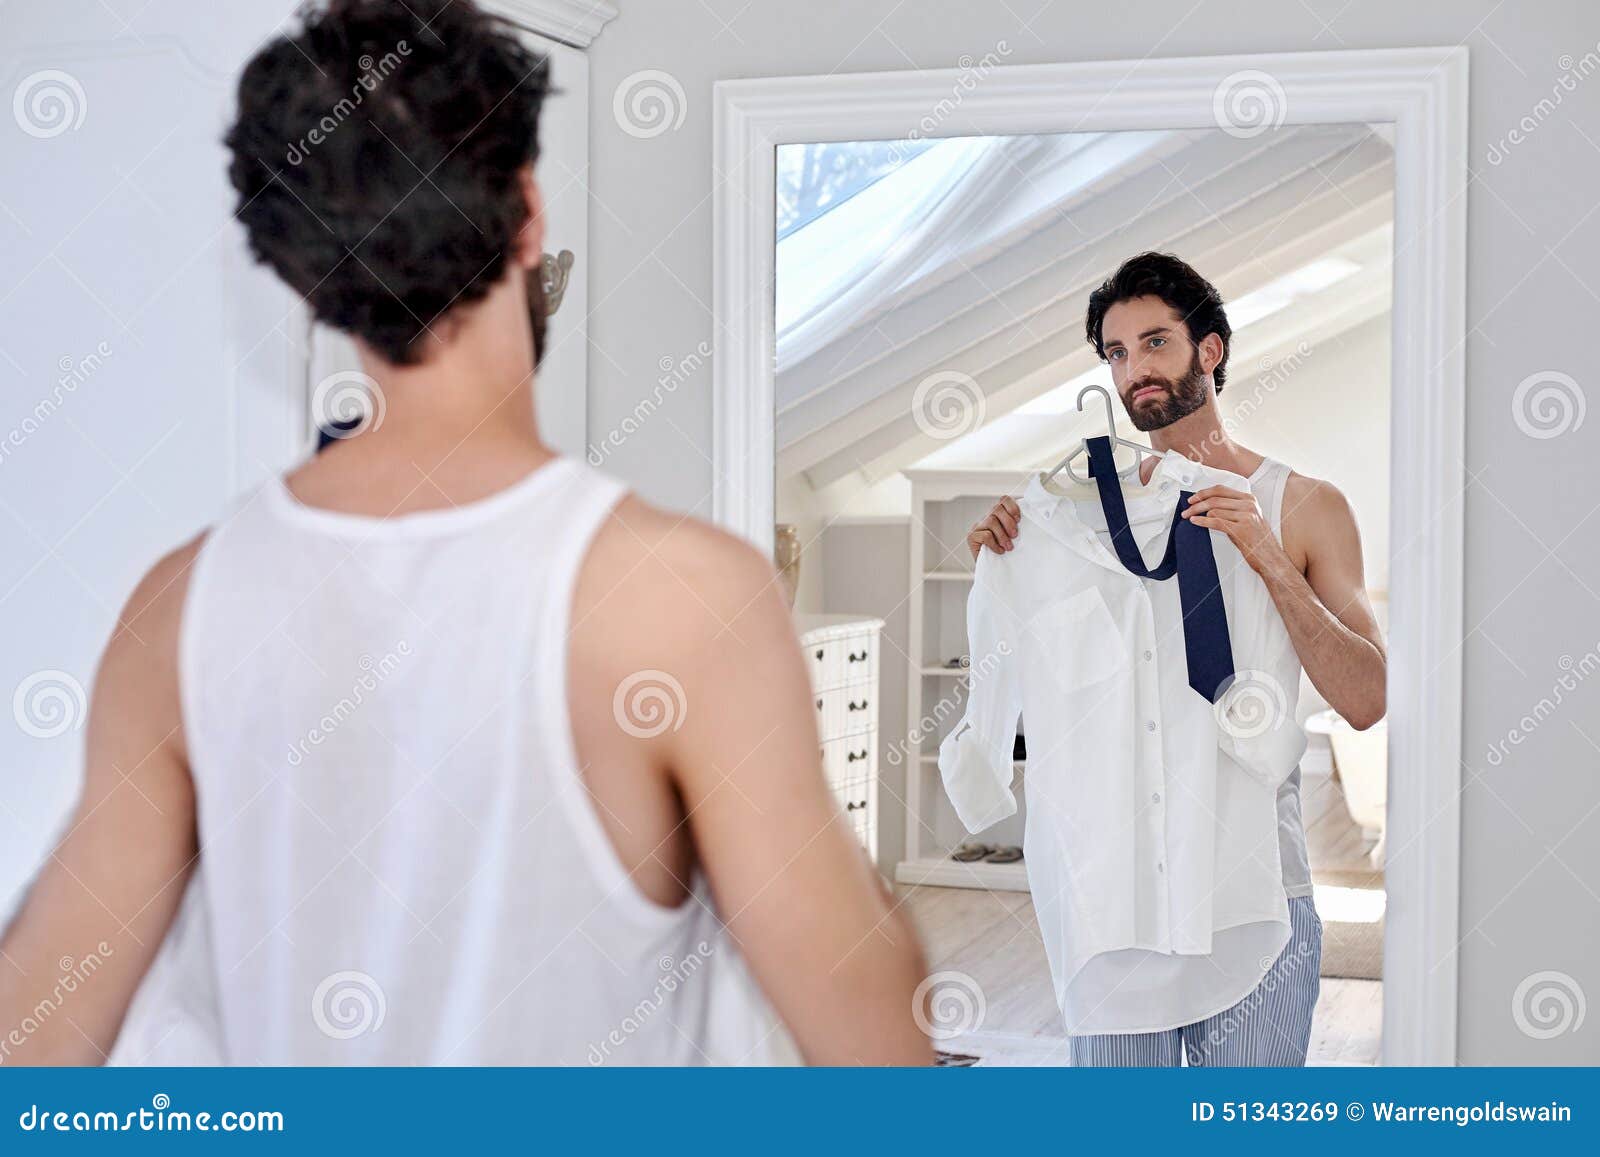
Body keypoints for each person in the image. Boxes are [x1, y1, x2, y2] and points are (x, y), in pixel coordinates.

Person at [0, 0, 930, 1066]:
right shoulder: (677, 595)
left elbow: (32, 1032)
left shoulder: (179, 608)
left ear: (305, 274)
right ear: (527, 213)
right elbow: (870, 1035)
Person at [967, 251, 1386, 1066]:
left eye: (1155, 342)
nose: (1135, 372)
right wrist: (1001, 563)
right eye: (1117, 354)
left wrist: (1264, 552)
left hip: (1257, 897)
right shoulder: (1072, 518)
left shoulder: (1303, 506)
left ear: (1211, 350)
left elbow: (1368, 696)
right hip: (1118, 912)